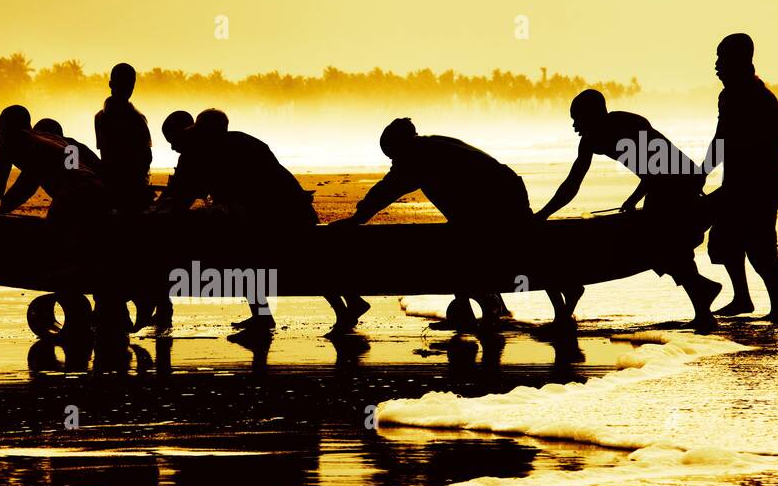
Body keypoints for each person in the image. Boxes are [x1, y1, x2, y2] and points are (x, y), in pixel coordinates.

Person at [158, 109, 366, 333]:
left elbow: (190, 194)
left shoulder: (211, 152)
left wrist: (168, 211)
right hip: (293, 207)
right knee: (308, 259)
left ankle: (267, 317)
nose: (174, 146)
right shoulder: (241, 142)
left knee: (259, 258)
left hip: (280, 214)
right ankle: (350, 303)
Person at [536, 89, 722, 329]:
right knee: (668, 245)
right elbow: (573, 183)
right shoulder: (591, 140)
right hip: (661, 184)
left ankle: (703, 297)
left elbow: (661, 162)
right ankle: (702, 298)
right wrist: (545, 213)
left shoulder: (627, 125)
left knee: (662, 242)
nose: (574, 126)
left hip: (681, 180)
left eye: (577, 119)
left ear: (594, 115)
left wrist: (636, 197)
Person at [333, 118, 529, 325]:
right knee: (461, 244)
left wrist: (358, 218)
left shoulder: (416, 155)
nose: (393, 163)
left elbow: (387, 188)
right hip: (509, 196)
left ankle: (478, 304)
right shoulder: (434, 144)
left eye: (392, 157)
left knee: (454, 246)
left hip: (495, 203)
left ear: (400, 146)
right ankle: (479, 304)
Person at [702, 33, 778, 323]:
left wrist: (758, 156)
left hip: (761, 188)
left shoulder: (757, 94)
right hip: (735, 187)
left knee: (761, 248)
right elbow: (720, 139)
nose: (716, 66)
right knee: (723, 241)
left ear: (740, 61)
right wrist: (702, 173)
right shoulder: (728, 96)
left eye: (722, 59)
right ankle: (742, 298)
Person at [0, 104, 109, 223]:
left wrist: (1, 206)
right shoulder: (64, 142)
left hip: (74, 192)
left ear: (14, 127)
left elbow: (25, 179)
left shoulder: (14, 141)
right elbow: (87, 170)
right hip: (97, 188)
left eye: (1, 127)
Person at [94, 63, 153, 212]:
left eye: (128, 85)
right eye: (121, 84)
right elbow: (105, 155)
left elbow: (145, 159)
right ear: (110, 84)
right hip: (111, 181)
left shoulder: (137, 119)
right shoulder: (100, 118)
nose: (125, 89)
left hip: (131, 184)